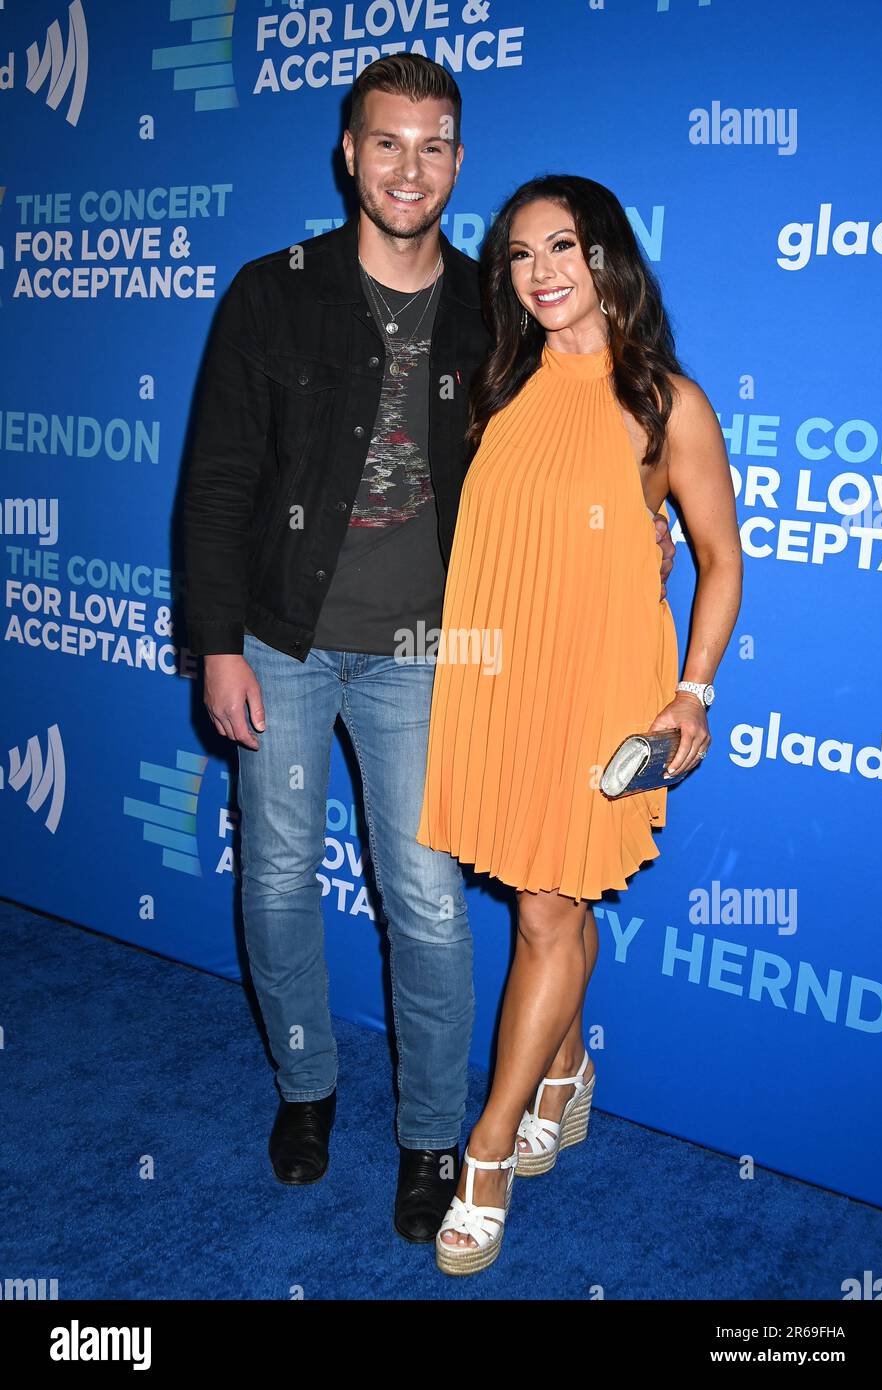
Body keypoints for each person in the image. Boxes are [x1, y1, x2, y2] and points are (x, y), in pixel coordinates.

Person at [182, 57, 675, 1245]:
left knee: (429, 904)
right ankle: (307, 1091)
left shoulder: (491, 306)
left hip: (424, 655)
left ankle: (430, 1136)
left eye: (436, 144)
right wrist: (216, 647)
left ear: (459, 160)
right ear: (349, 153)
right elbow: (217, 483)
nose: (412, 165)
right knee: (276, 879)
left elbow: (582, 430)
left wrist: (641, 513)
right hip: (281, 643)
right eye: (388, 142)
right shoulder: (272, 291)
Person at [416, 174, 743, 1276]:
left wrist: (690, 690)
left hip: (601, 684)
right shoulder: (495, 383)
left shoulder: (665, 402)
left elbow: (718, 557)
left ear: (609, 258)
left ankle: (489, 1150)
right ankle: (567, 1071)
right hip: (500, 676)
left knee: (551, 906)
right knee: (538, 893)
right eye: (519, 253)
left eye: (565, 246)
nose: (543, 270)